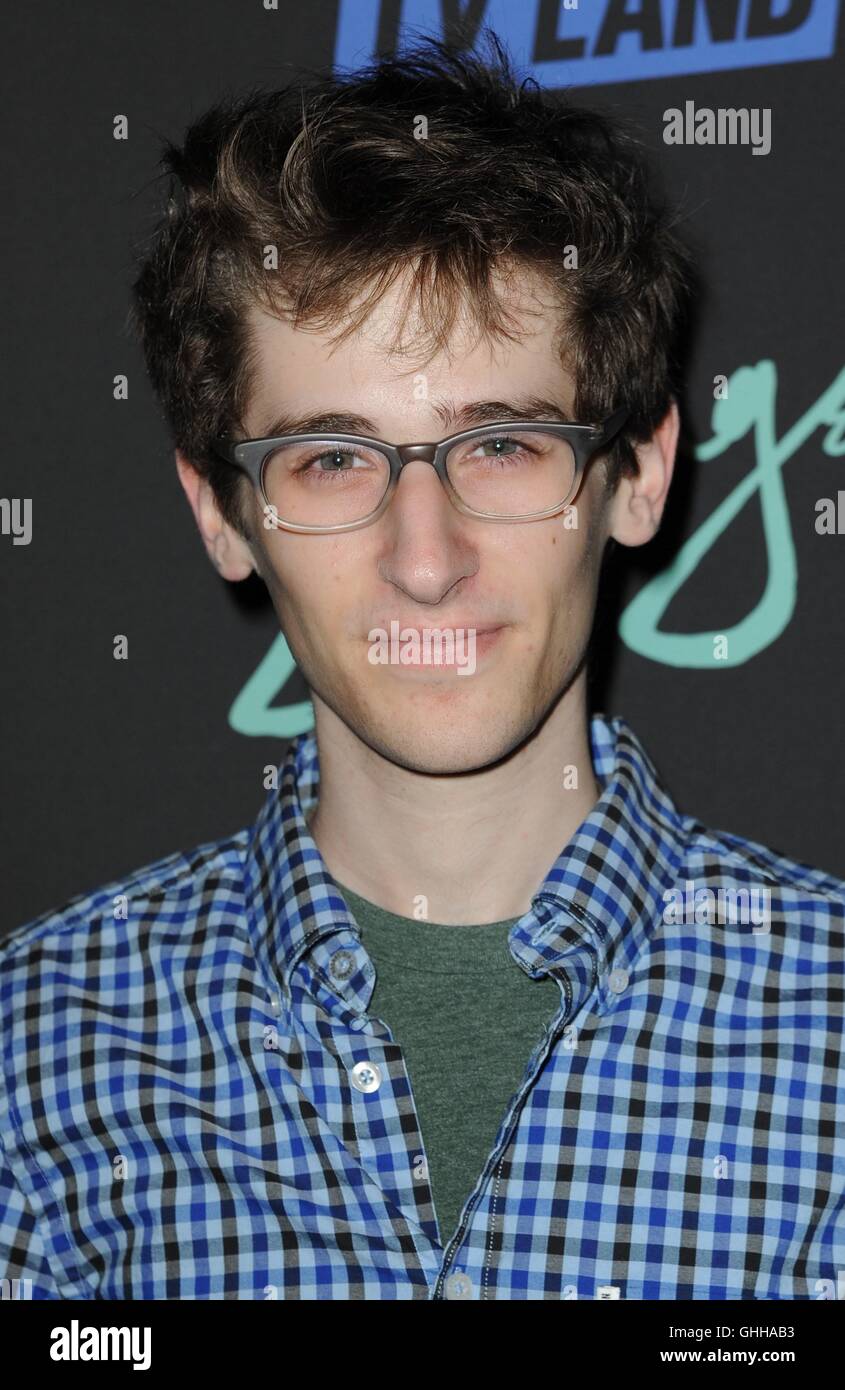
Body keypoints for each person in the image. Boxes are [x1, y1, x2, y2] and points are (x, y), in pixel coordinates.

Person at [1, 32, 842, 1302]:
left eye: (500, 444)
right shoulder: (37, 1049)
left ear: (639, 471)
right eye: (331, 458)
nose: (426, 558)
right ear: (221, 512)